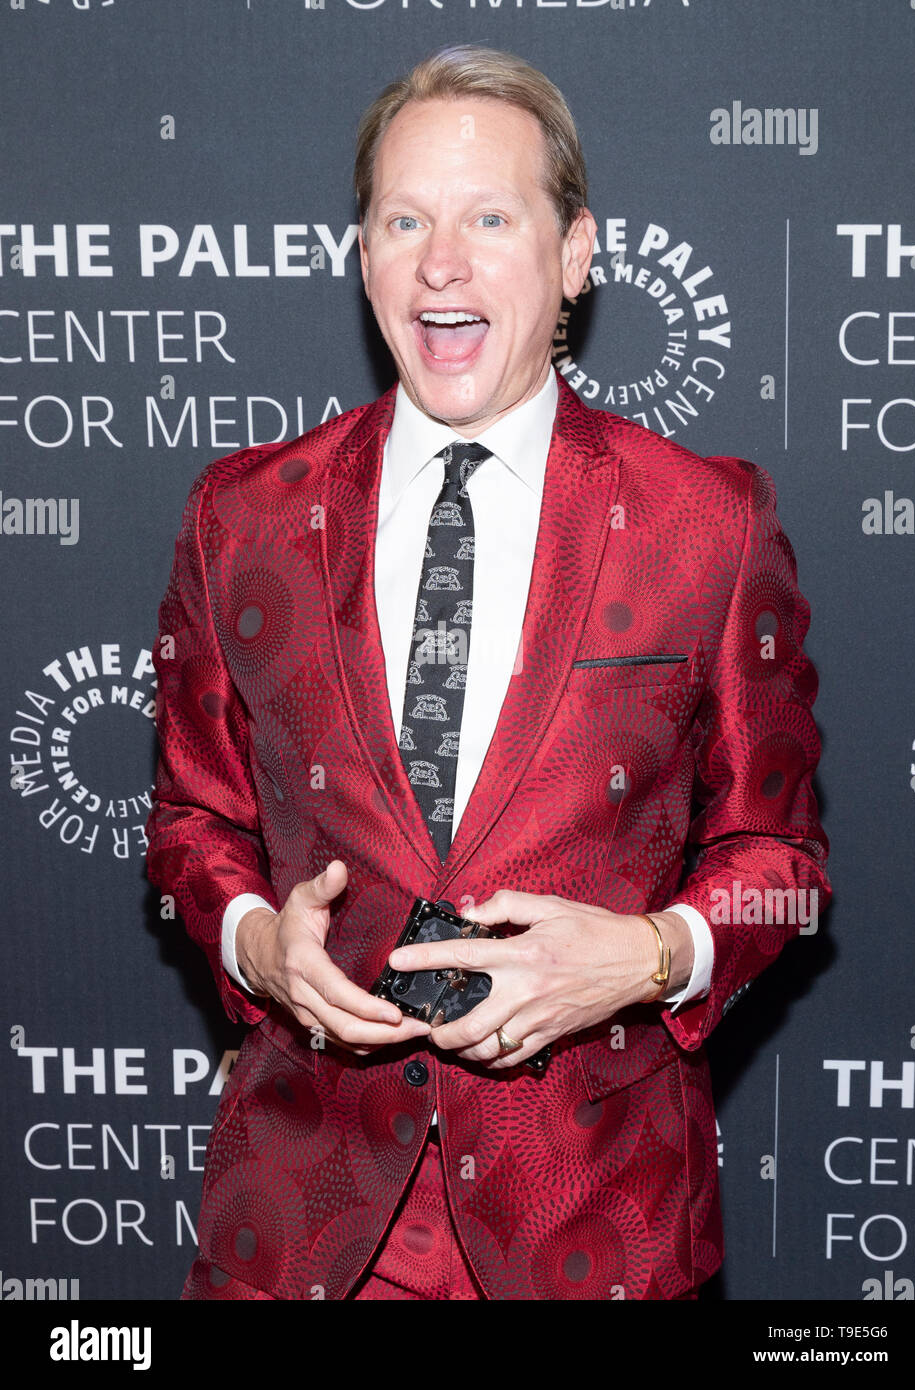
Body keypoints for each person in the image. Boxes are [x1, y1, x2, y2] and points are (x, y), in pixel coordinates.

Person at [145, 43, 831, 1301]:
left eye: (488, 217)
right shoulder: (239, 518)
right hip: (303, 1224)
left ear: (574, 255)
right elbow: (194, 820)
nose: (440, 261)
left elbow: (781, 867)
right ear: (362, 257)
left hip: (596, 1223)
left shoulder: (708, 522)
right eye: (402, 219)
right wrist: (254, 943)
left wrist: (650, 954)